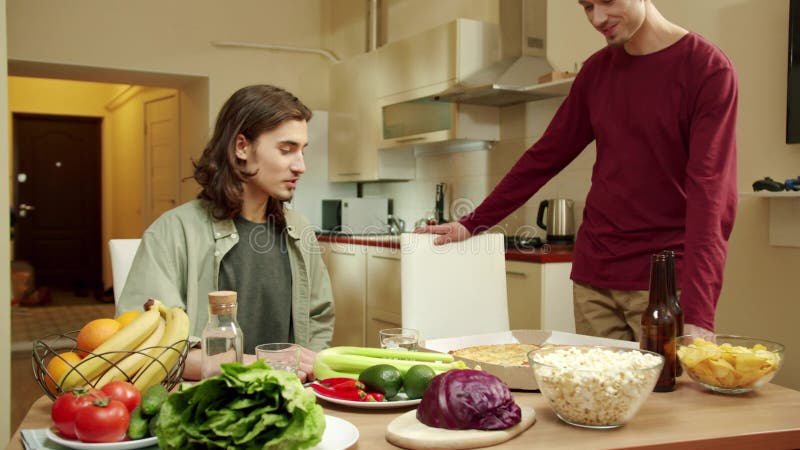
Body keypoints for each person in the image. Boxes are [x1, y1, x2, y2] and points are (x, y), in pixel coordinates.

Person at [421, 0, 737, 341]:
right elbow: (544, 157)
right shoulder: (596, 72)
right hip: (593, 282)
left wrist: (700, 312)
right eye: (587, 6)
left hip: (662, 285)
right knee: (594, 394)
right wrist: (473, 223)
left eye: (607, 1)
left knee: (667, 395)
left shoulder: (706, 68)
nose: (597, 18)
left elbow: (711, 195)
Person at [117, 85, 334, 381]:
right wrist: (256, 365)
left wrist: (307, 368)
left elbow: (318, 318)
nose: (301, 166)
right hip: (205, 406)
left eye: (302, 150)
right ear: (242, 147)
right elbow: (146, 348)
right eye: (286, 150)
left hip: (289, 401)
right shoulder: (172, 231)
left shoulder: (300, 229)